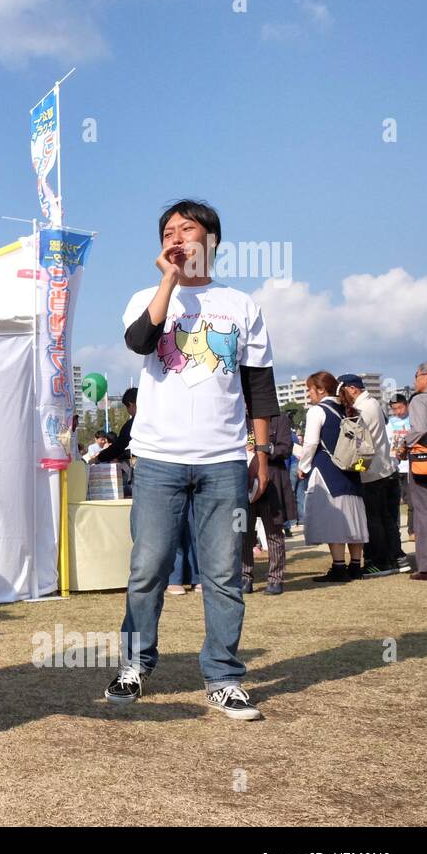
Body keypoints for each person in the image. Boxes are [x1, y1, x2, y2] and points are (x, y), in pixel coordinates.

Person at [104, 199, 277, 721]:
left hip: (224, 459)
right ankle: (135, 666)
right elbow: (140, 341)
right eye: (169, 230)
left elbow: (260, 387)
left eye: (188, 228)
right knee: (148, 567)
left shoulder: (241, 305)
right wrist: (169, 282)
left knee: (223, 572)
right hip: (157, 459)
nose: (177, 235)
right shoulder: (146, 296)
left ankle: (223, 676)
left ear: (213, 240)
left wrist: (261, 451)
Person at [297, 373, 368, 582]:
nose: (308, 394)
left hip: (327, 470)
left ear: (321, 389)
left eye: (310, 389)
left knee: (334, 518)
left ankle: (339, 567)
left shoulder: (317, 411)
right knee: (353, 518)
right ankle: (356, 565)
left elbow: (310, 443)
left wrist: (303, 466)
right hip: (352, 469)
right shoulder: (349, 409)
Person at [337, 374, 400, 576]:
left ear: (352, 389)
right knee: (387, 518)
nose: (342, 397)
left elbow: (356, 440)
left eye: (343, 392)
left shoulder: (362, 409)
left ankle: (378, 561)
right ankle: (394, 557)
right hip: (385, 468)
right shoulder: (374, 403)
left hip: (370, 472)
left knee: (373, 519)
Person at [242, 413, 295, 594]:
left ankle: (275, 578)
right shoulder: (237, 418)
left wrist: (262, 448)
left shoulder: (280, 419)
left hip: (271, 483)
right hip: (241, 484)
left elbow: (286, 448)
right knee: (242, 532)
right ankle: (244, 577)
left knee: (274, 533)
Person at [404, 361, 427, 581]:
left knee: (425, 513)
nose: (415, 379)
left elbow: (420, 429)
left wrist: (403, 444)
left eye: (416, 375)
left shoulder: (421, 400)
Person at [388, 392, 414, 545]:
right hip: (396, 467)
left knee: (412, 502)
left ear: (406, 405)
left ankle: (412, 531)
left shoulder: (415, 419)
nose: (398, 412)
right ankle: (395, 531)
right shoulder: (390, 422)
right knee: (394, 502)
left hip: (411, 466)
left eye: (400, 408)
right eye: (394, 409)